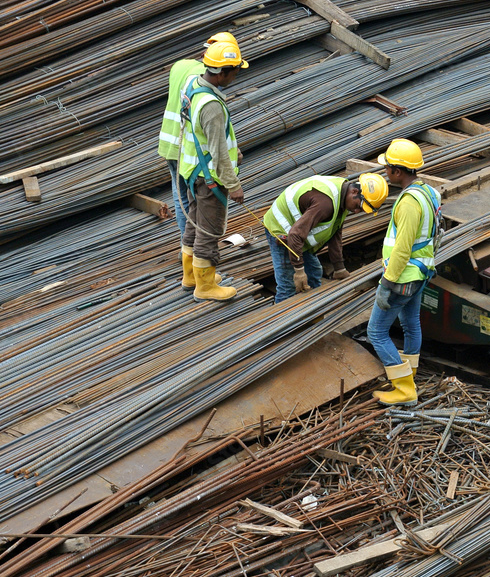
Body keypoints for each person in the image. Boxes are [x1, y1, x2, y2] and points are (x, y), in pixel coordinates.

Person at [367, 139, 442, 407]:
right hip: (421, 272)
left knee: (376, 331)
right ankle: (408, 373)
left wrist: (386, 283)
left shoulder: (409, 202)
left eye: (388, 167)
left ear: (398, 172)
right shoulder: (428, 192)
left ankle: (404, 389)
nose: (385, 171)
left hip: (404, 276)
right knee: (411, 324)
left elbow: (402, 248)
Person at [178, 39, 248, 302]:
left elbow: (203, 137)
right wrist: (233, 186)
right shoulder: (211, 107)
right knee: (209, 230)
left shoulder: (194, 84)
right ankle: (205, 286)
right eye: (235, 71)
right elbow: (218, 152)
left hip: (192, 170)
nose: (236, 75)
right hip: (209, 178)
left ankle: (191, 275)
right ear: (222, 72)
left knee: (195, 224)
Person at [158, 32, 237, 238]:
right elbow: (206, 125)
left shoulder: (180, 66)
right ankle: (191, 243)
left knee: (180, 194)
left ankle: (187, 245)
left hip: (171, 141)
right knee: (189, 198)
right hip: (188, 146)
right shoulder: (201, 82)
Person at [263, 173, 388, 303]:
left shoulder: (343, 195)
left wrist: (339, 267)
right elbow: (295, 234)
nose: (356, 211)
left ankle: (312, 310)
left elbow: (335, 232)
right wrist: (299, 270)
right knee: (288, 286)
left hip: (299, 234)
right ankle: (285, 316)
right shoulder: (325, 203)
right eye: (358, 206)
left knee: (314, 273)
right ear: (355, 191)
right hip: (282, 231)